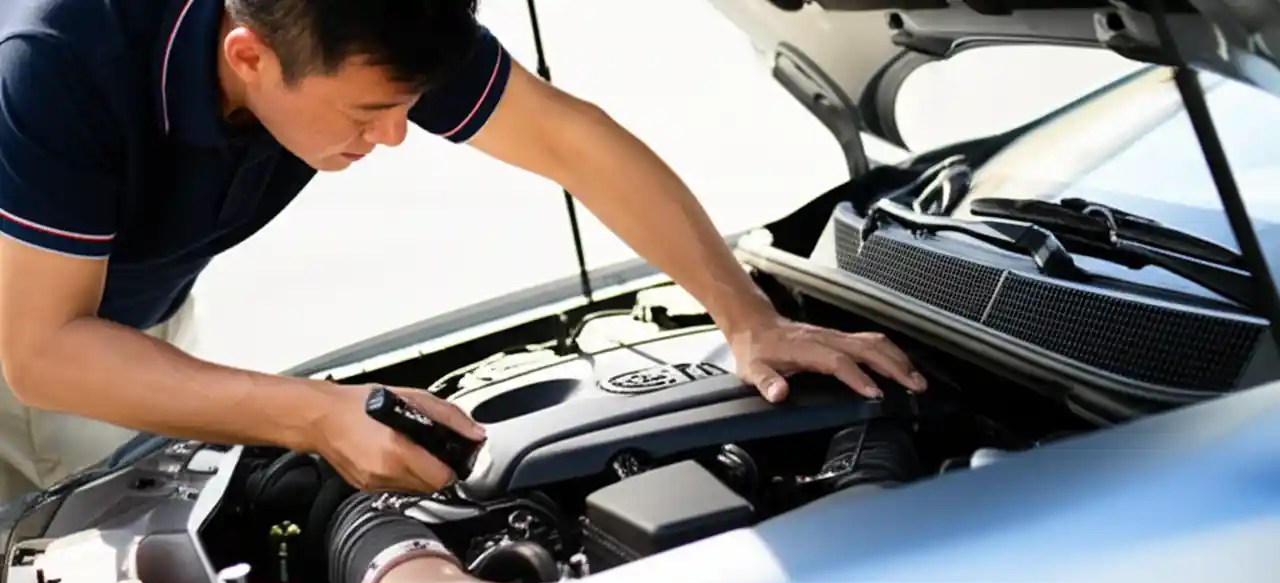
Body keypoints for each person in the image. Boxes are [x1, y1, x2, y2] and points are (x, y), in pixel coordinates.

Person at [0, 0, 928, 503]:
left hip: (122, 320)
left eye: (407, 106)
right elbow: (41, 353)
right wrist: (317, 416)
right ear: (248, 57)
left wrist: (748, 319)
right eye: (370, 112)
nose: (396, 136)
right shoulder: (53, 64)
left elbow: (570, 140)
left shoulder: (367, 23)